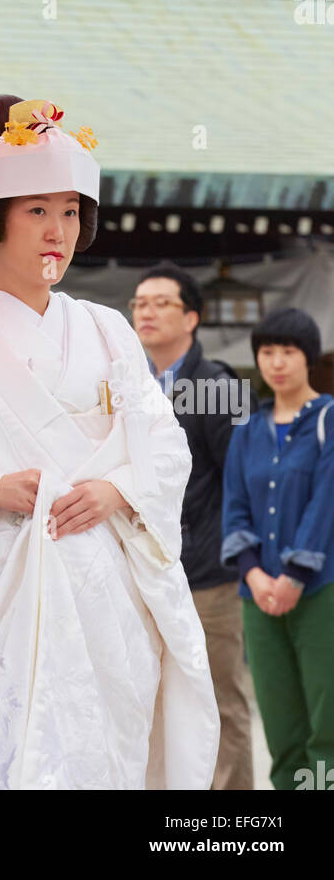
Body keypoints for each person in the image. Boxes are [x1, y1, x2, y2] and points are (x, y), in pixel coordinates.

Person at [0, 92, 219, 790]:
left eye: (70, 212)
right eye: (37, 211)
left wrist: (116, 488)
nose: (58, 232)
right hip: (1, 599)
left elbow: (165, 447)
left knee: (105, 760)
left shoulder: (107, 331)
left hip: (108, 598)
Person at [131, 262, 255, 790]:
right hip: (144, 569)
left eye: (162, 302)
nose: (147, 312)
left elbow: (243, 482)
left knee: (218, 700)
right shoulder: (126, 382)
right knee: (151, 700)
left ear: (192, 318)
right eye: (139, 303)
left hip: (206, 574)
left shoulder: (219, 385)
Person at [222, 306, 334, 791]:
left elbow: (326, 505)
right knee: (281, 723)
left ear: (308, 357)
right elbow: (235, 507)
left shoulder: (329, 419)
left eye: (288, 351)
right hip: (258, 598)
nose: (277, 362)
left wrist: (293, 577)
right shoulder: (248, 429)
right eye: (267, 351)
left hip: (320, 595)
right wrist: (255, 576)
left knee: (325, 726)